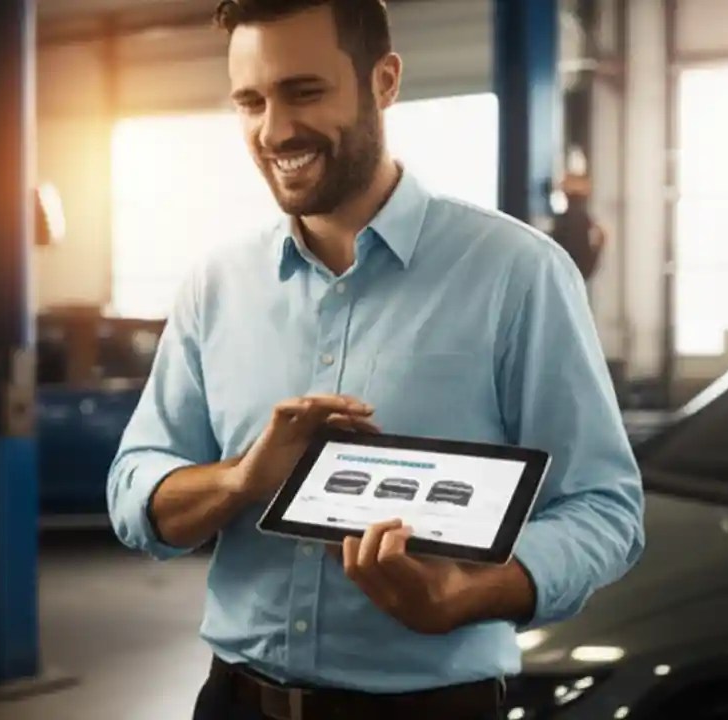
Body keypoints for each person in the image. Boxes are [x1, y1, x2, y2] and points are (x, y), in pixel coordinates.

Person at [106, 2, 645, 719]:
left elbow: (604, 509)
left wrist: (464, 596)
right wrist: (241, 478)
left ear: (383, 81)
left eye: (304, 92)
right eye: (250, 101)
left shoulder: (517, 274)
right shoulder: (218, 284)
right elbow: (134, 486)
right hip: (234, 701)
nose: (274, 130)